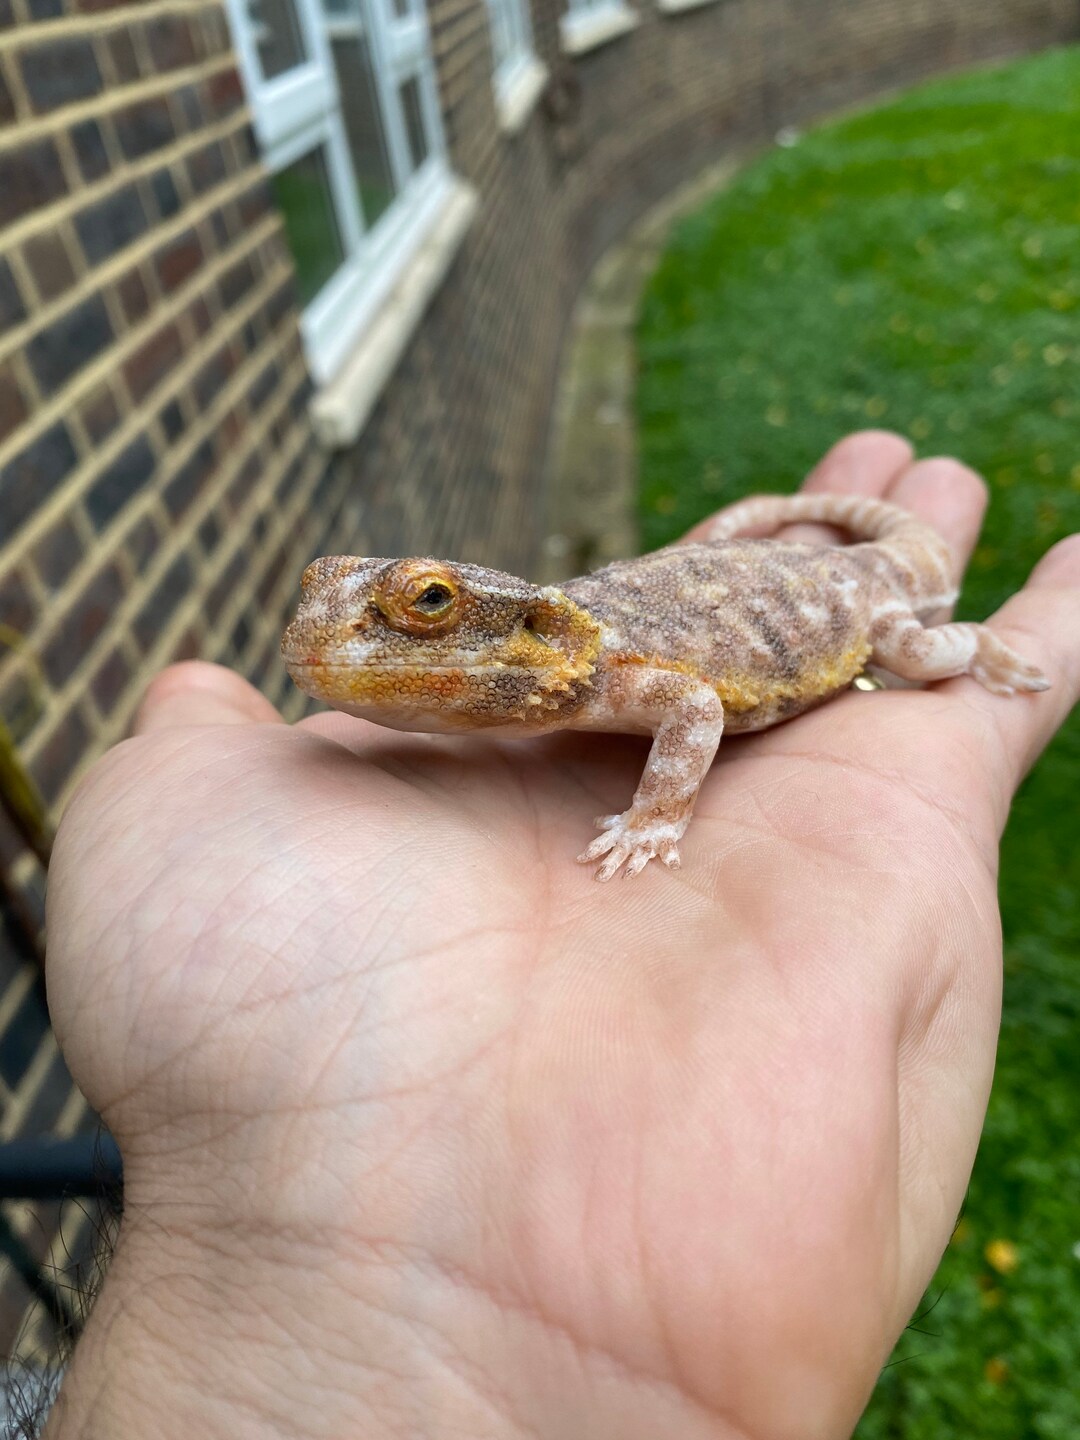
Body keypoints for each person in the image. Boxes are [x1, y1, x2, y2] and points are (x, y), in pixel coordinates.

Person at [42, 433, 1080, 1439]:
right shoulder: (564, 673)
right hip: (757, 577)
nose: (341, 637)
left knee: (926, 653)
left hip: (865, 606)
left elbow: (692, 708)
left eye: (427, 611)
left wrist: (658, 819)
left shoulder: (608, 669)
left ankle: (962, 642)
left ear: (527, 631)